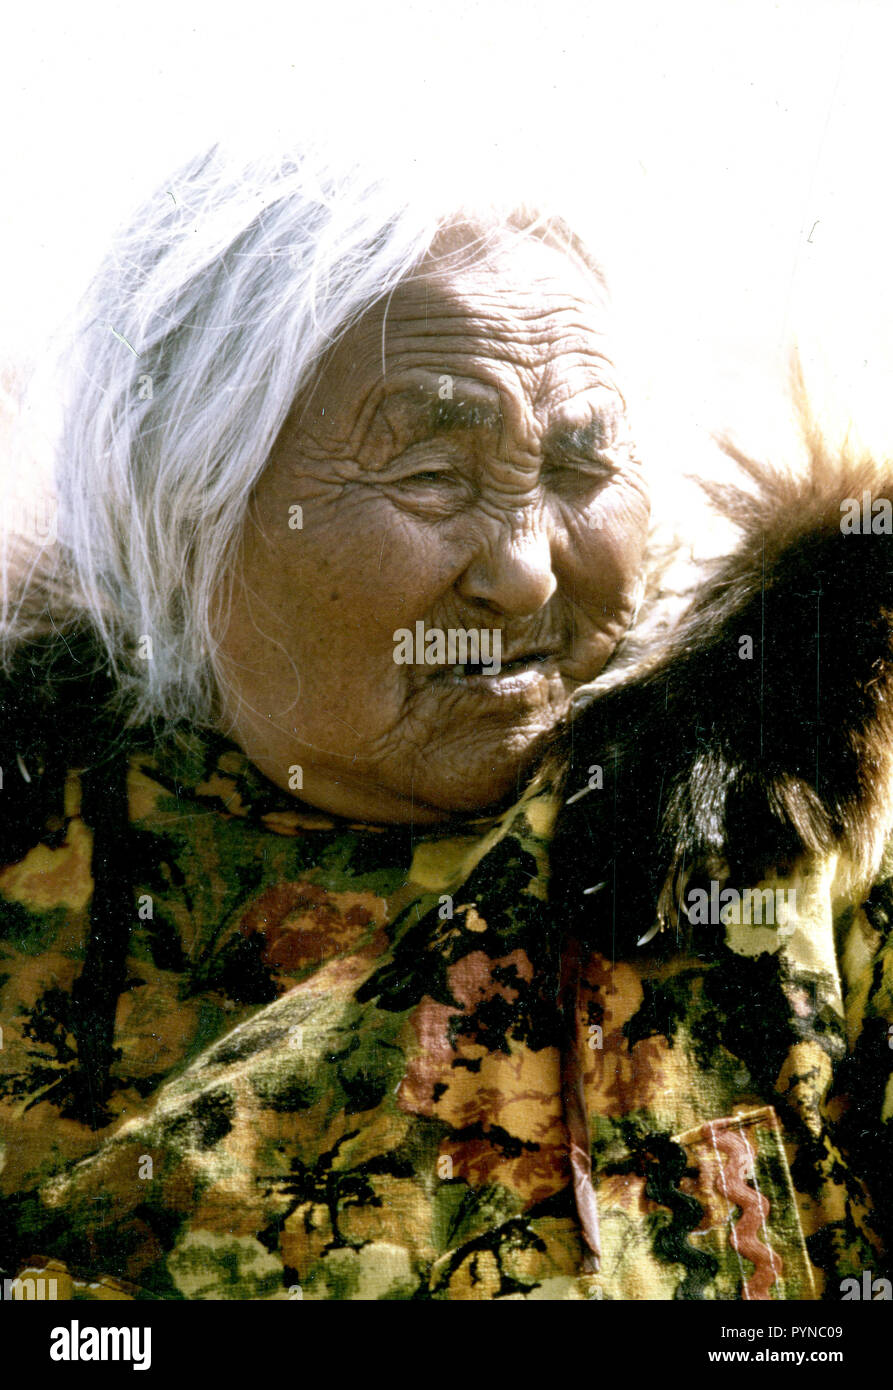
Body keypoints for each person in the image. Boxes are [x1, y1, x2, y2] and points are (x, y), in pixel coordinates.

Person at [0, 140, 888, 1301]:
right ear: (186, 519)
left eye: (579, 463)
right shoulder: (43, 866)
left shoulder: (802, 851)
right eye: (428, 475)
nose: (523, 574)